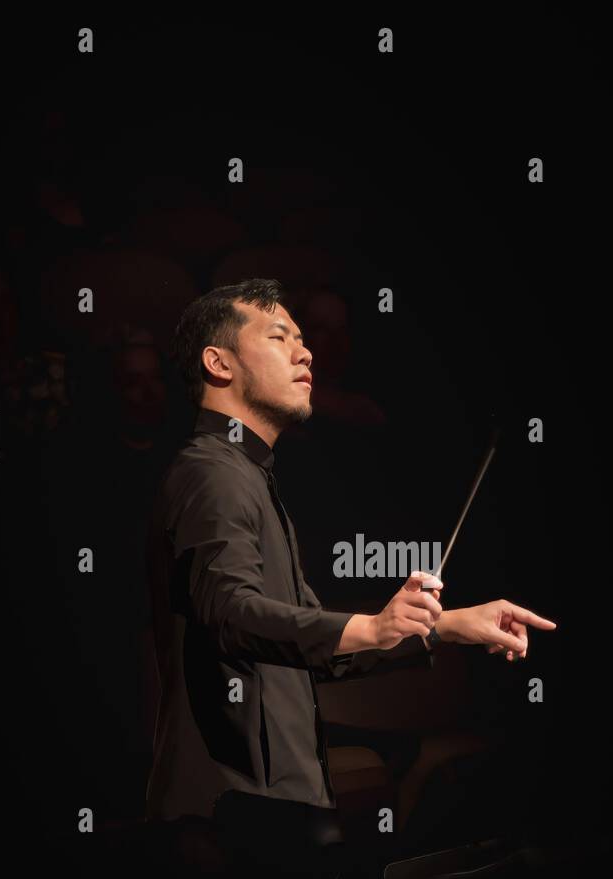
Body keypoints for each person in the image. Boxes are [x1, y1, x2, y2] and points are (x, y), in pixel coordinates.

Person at [144, 278, 556, 828]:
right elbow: (231, 614)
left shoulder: (246, 475)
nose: (306, 352)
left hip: (263, 807)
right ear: (219, 364)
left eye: (301, 339)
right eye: (279, 337)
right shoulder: (211, 473)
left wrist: (445, 625)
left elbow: (315, 643)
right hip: (229, 812)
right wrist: (375, 627)